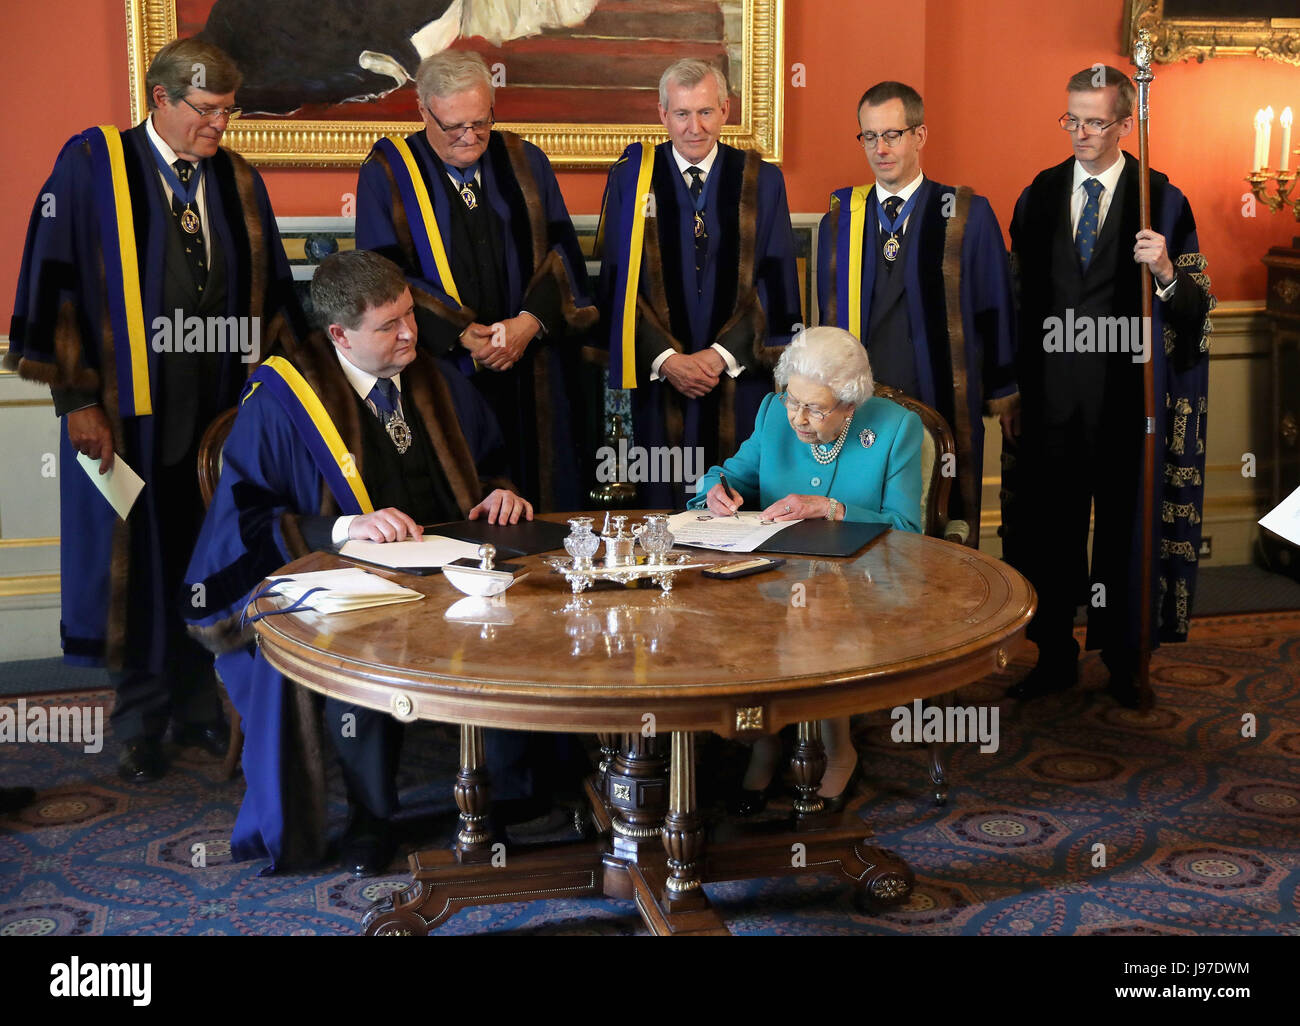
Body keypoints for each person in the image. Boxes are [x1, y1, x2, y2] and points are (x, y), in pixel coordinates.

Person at [184, 250, 549, 876]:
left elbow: (488, 459)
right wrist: (347, 526)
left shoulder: (435, 376)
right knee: (363, 650)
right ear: (339, 335)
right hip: (345, 581)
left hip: (450, 569)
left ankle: (516, 791)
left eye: (409, 315)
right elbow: (242, 524)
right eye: (389, 326)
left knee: (540, 612)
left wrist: (499, 489)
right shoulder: (281, 403)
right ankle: (370, 817)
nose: (410, 333)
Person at [5, 38, 303, 782]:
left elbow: (276, 300)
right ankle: (141, 721)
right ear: (160, 98)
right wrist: (77, 402)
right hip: (126, 414)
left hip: (217, 418)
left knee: (213, 554)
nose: (219, 127)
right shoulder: (91, 166)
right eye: (206, 111)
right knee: (132, 568)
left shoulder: (236, 179)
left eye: (228, 113)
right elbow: (54, 284)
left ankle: (203, 707)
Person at [1002, 66, 1213, 708]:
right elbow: (1015, 303)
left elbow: (1196, 310)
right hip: (1049, 403)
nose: (1081, 133)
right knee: (1050, 534)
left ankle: (1125, 660)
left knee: (1126, 533)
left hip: (1129, 405)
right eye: (1072, 119)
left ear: (1126, 123)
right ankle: (1054, 656)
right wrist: (1010, 390)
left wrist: (1167, 270)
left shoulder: (1163, 200)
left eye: (1095, 121)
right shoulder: (1037, 195)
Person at [688, 326, 923, 812]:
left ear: (850, 404)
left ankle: (838, 748)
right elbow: (729, 474)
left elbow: (907, 528)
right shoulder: (775, 413)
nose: (798, 417)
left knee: (820, 622)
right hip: (774, 573)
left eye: (816, 408)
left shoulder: (896, 428)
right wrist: (715, 491)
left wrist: (834, 508)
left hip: (862, 578)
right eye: (793, 400)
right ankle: (766, 738)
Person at [354, 49, 596, 512]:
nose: (471, 136)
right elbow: (381, 274)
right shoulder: (388, 171)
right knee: (462, 498)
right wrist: (460, 332)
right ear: (424, 110)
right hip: (441, 367)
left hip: (533, 367)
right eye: (454, 126)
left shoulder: (525, 161)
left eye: (482, 121)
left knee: (544, 493)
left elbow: (564, 252)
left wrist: (529, 323)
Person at [597, 58, 803, 510]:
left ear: (726, 110)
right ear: (662, 114)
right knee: (664, 501)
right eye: (682, 114)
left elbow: (776, 279)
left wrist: (719, 355)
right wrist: (667, 358)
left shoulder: (760, 180)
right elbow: (619, 284)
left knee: (739, 499)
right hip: (660, 382)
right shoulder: (631, 178)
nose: (695, 127)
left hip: (736, 376)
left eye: (706, 112)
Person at [817, 81, 1017, 543]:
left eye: (893, 134)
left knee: (940, 526)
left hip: (940, 394)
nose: (881, 148)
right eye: (870, 136)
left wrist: (1005, 392)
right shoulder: (841, 217)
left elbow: (996, 310)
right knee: (863, 525)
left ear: (920, 136)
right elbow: (827, 320)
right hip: (862, 400)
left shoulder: (966, 213)